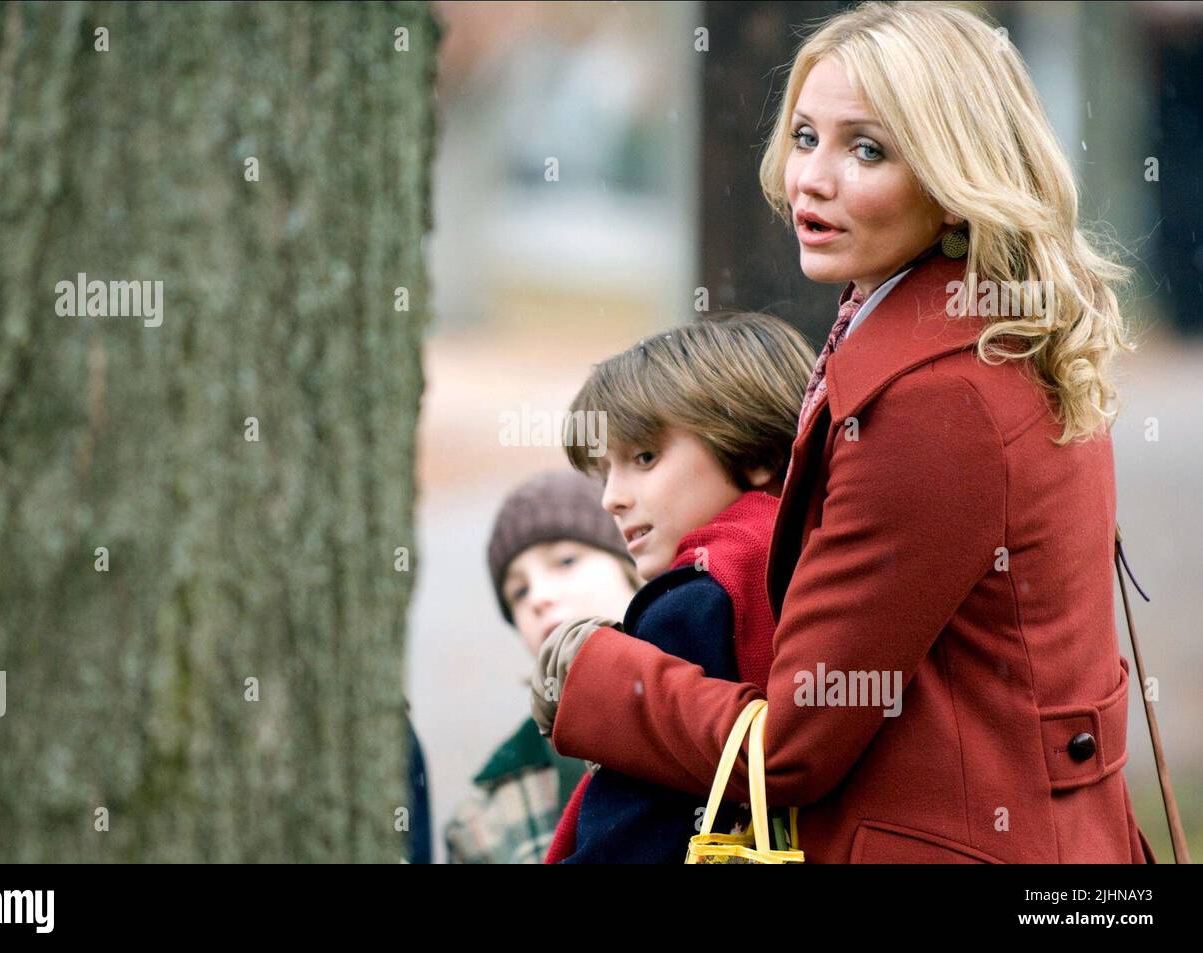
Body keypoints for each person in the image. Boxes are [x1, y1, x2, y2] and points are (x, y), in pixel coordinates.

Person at [535, 1, 1155, 863]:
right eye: (804, 137)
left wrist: (599, 671)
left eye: (866, 148)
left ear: (952, 179)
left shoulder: (935, 401)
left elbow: (794, 745)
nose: (811, 180)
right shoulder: (982, 331)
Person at [537, 313, 813, 863]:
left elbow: (633, 832)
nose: (611, 498)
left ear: (756, 451)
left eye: (644, 458)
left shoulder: (696, 598)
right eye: (603, 471)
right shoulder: (819, 556)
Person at [442, 469, 640, 863]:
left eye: (565, 561)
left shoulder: (732, 702)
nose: (539, 597)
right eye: (519, 590)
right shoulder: (484, 825)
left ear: (633, 566)